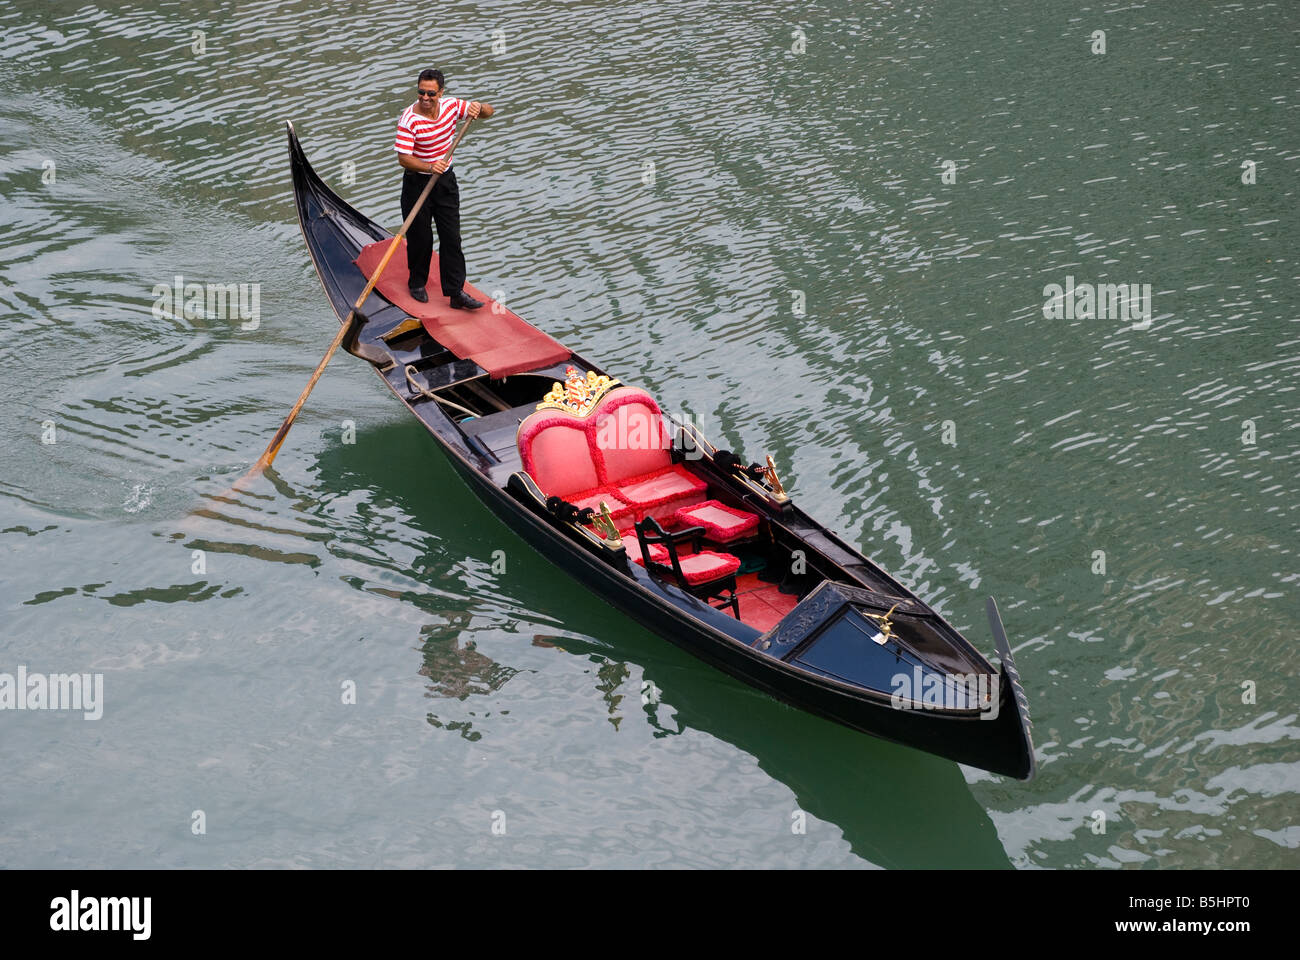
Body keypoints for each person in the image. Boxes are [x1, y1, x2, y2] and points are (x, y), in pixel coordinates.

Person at [394, 68, 494, 307]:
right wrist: (430, 167)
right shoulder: (409, 119)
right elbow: (404, 158)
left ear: (441, 93)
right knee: (420, 237)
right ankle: (417, 283)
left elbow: (489, 112)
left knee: (451, 237)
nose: (425, 98)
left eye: (431, 94)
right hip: (417, 182)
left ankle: (455, 292)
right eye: (421, 93)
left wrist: (478, 107)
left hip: (445, 182)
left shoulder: (451, 106)